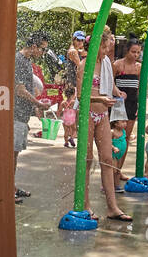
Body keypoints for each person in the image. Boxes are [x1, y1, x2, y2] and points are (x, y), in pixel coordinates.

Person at [83, 30, 132, 223]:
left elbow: (109, 84)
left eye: (107, 47)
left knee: (107, 159)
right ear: (95, 45)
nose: (106, 50)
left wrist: (118, 92)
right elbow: (81, 96)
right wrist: (99, 98)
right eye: (104, 47)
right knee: (86, 160)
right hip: (86, 114)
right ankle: (85, 204)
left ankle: (112, 207)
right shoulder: (84, 65)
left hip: (102, 113)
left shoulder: (105, 63)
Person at [13, 33, 51, 201]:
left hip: (21, 115)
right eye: (43, 49)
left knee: (14, 153)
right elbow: (19, 90)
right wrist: (38, 103)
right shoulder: (20, 60)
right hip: (15, 115)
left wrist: (34, 104)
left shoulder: (26, 61)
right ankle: (6, 190)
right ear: (34, 46)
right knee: (10, 153)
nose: (44, 52)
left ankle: (10, 186)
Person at [113, 38, 142, 174]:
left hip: (131, 104)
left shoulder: (139, 67)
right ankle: (112, 169)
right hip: (118, 105)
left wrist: (140, 106)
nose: (135, 55)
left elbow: (141, 88)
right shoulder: (117, 65)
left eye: (138, 52)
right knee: (115, 136)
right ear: (127, 51)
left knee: (125, 138)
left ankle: (119, 171)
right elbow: (110, 84)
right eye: (133, 52)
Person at [60, 83, 79, 148]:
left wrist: (58, 116)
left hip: (65, 118)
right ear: (73, 94)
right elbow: (77, 109)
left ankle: (66, 142)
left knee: (66, 131)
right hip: (72, 118)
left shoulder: (63, 102)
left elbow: (59, 111)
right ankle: (71, 138)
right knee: (74, 130)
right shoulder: (74, 102)